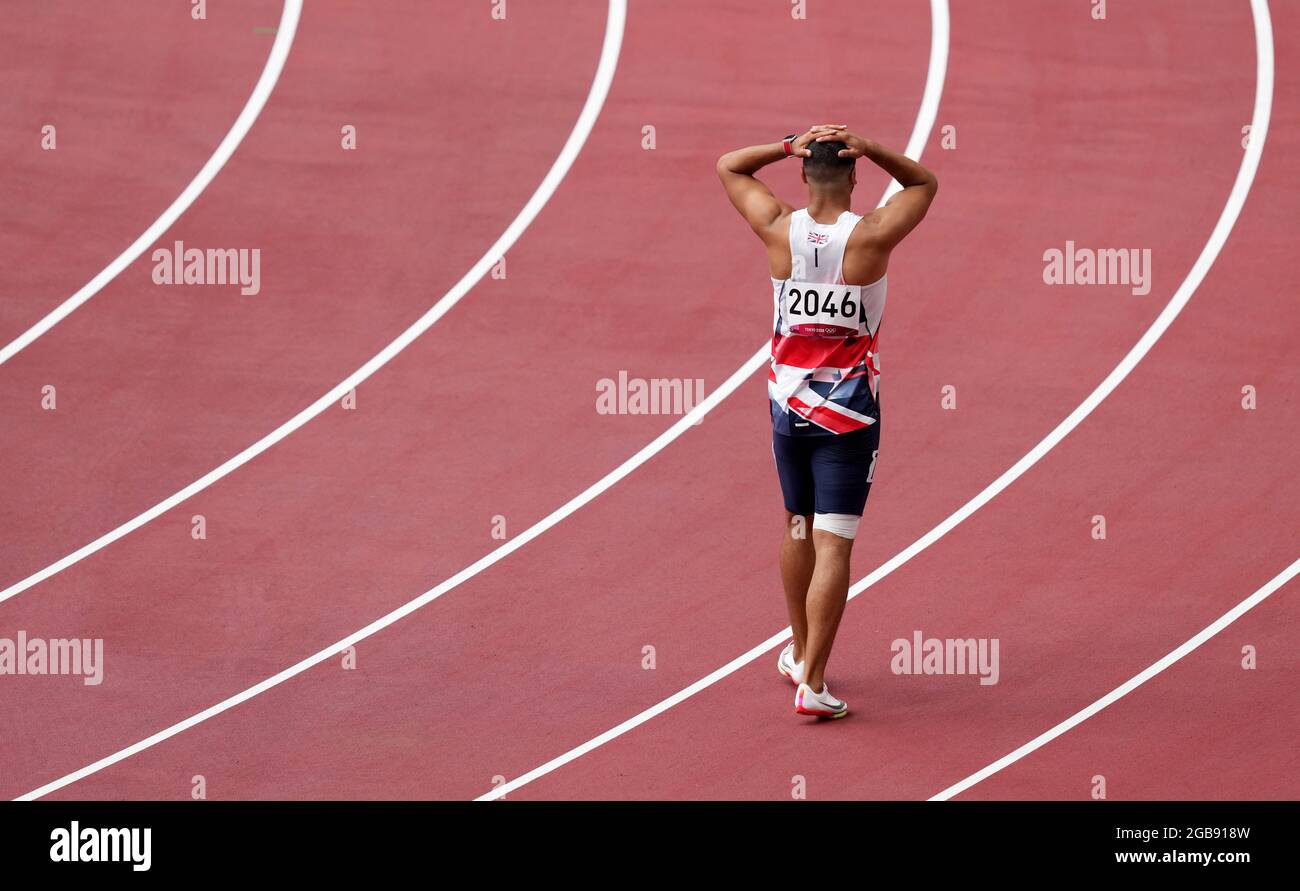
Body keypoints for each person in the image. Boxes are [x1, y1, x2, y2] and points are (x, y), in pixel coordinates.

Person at [716, 124, 938, 718]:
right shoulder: (871, 235)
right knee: (833, 543)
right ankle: (812, 681)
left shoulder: (777, 227)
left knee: (796, 524)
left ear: (803, 177)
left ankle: (797, 650)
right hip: (848, 415)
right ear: (855, 177)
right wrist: (874, 145)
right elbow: (924, 181)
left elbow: (730, 166)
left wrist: (787, 143)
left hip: (787, 408)